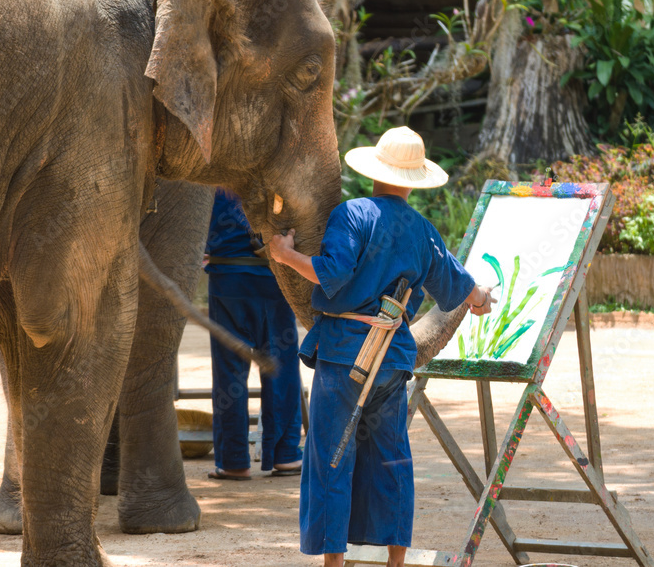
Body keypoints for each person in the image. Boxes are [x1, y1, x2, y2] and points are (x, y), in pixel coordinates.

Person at [269, 127, 496, 567]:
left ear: (374, 170)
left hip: (342, 358)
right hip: (392, 361)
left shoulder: (352, 214)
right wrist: (481, 297)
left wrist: (284, 255)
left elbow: (329, 273)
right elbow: (459, 283)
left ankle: (334, 562)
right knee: (391, 459)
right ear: (413, 180)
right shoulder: (422, 230)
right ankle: (395, 559)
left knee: (332, 457)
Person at [205, 188, 304, 480]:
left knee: (229, 372)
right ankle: (285, 454)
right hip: (275, 278)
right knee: (281, 367)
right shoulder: (277, 173)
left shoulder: (215, 179)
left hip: (228, 280)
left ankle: (233, 460)